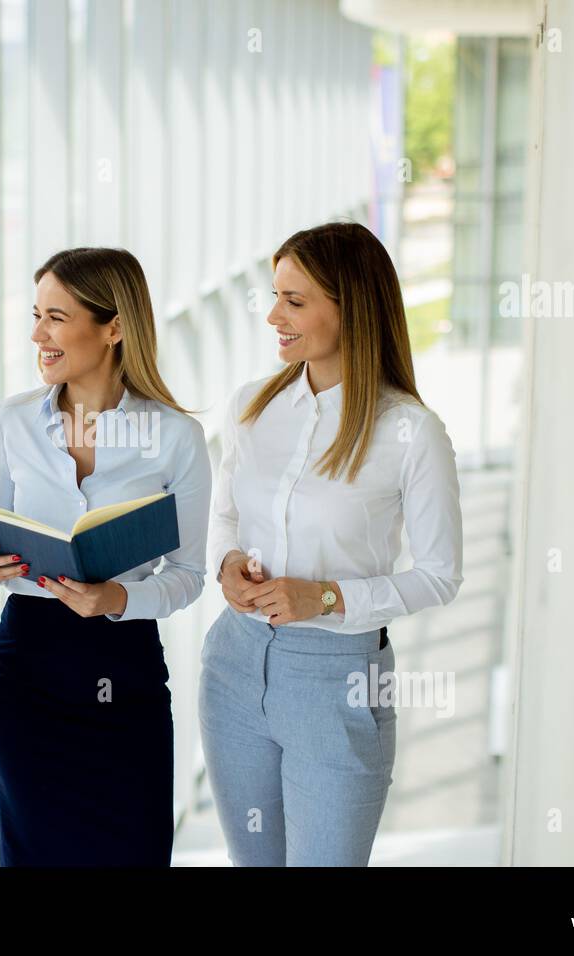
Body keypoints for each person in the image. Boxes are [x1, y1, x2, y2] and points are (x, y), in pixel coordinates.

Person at [200, 222, 463, 866]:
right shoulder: (251, 407)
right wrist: (227, 564)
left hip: (337, 682)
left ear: (353, 307)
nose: (273, 316)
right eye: (275, 296)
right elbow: (226, 516)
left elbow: (439, 574)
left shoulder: (410, 432)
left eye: (295, 301)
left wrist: (325, 597)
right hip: (235, 666)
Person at [0, 247, 212, 866]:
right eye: (36, 315)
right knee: (33, 853)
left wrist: (117, 598)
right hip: (28, 669)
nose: (37, 335)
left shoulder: (176, 437)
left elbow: (187, 576)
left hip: (122, 666)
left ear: (114, 327)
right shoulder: (14, 419)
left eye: (55, 317)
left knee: (134, 849)